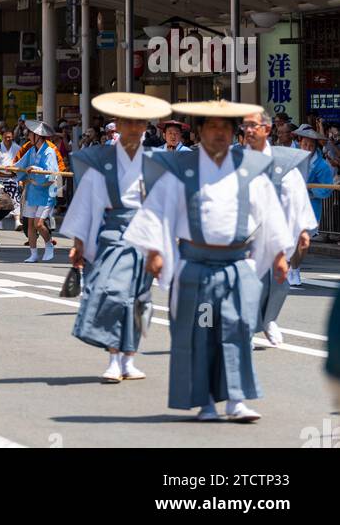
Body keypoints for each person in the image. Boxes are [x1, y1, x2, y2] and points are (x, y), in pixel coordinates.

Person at [124, 100, 290, 423]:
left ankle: (237, 400)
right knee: (202, 332)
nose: (219, 133)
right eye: (212, 126)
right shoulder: (182, 171)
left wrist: (280, 253)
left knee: (239, 329)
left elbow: (269, 213)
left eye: (225, 127)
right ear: (200, 131)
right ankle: (207, 402)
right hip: (196, 270)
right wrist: (154, 252)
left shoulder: (248, 170)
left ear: (234, 132)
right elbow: (157, 211)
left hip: (236, 268)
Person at [62, 93, 172, 383]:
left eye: (140, 123)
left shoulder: (157, 162)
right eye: (128, 122)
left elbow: (166, 204)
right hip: (114, 232)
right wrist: (79, 244)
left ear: (146, 127)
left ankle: (129, 357)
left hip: (147, 232)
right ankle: (113, 357)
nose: (134, 128)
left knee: (139, 298)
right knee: (114, 292)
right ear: (118, 126)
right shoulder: (103, 161)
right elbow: (86, 202)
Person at [242, 109, 316, 346]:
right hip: (245, 232)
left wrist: (303, 229)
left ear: (267, 129)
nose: (250, 131)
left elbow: (296, 194)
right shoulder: (234, 159)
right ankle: (246, 327)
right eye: (246, 127)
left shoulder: (284, 161)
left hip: (277, 231)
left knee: (278, 282)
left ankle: (269, 320)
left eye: (255, 125)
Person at [15, 121, 59, 263]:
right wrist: (8, 169)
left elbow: (52, 172)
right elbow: (20, 165)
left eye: (31, 133)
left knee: (38, 223)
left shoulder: (49, 151)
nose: (28, 135)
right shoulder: (31, 150)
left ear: (38, 136)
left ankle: (49, 244)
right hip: (33, 190)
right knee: (30, 224)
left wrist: (35, 168)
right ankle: (33, 254)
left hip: (47, 191)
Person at [291, 125, 334, 258]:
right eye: (305, 144)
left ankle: (295, 268)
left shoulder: (322, 165)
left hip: (310, 206)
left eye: (311, 145)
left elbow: (326, 189)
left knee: (303, 240)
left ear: (315, 146)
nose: (307, 148)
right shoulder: (292, 158)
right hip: (291, 204)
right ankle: (292, 267)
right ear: (300, 143)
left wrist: (309, 190)